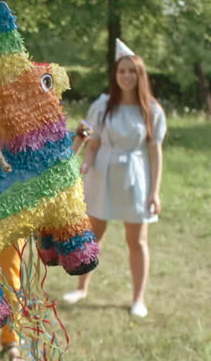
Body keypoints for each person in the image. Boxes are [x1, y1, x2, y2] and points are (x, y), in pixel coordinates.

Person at [63, 39, 166, 318]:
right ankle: (82, 286)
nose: (126, 76)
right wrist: (84, 166)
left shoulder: (151, 111)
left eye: (132, 71)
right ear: (115, 75)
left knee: (137, 240)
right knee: (94, 233)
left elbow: (155, 153)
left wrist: (154, 192)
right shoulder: (103, 105)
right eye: (122, 71)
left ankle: (138, 298)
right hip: (103, 173)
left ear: (140, 75)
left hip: (135, 176)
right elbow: (92, 143)